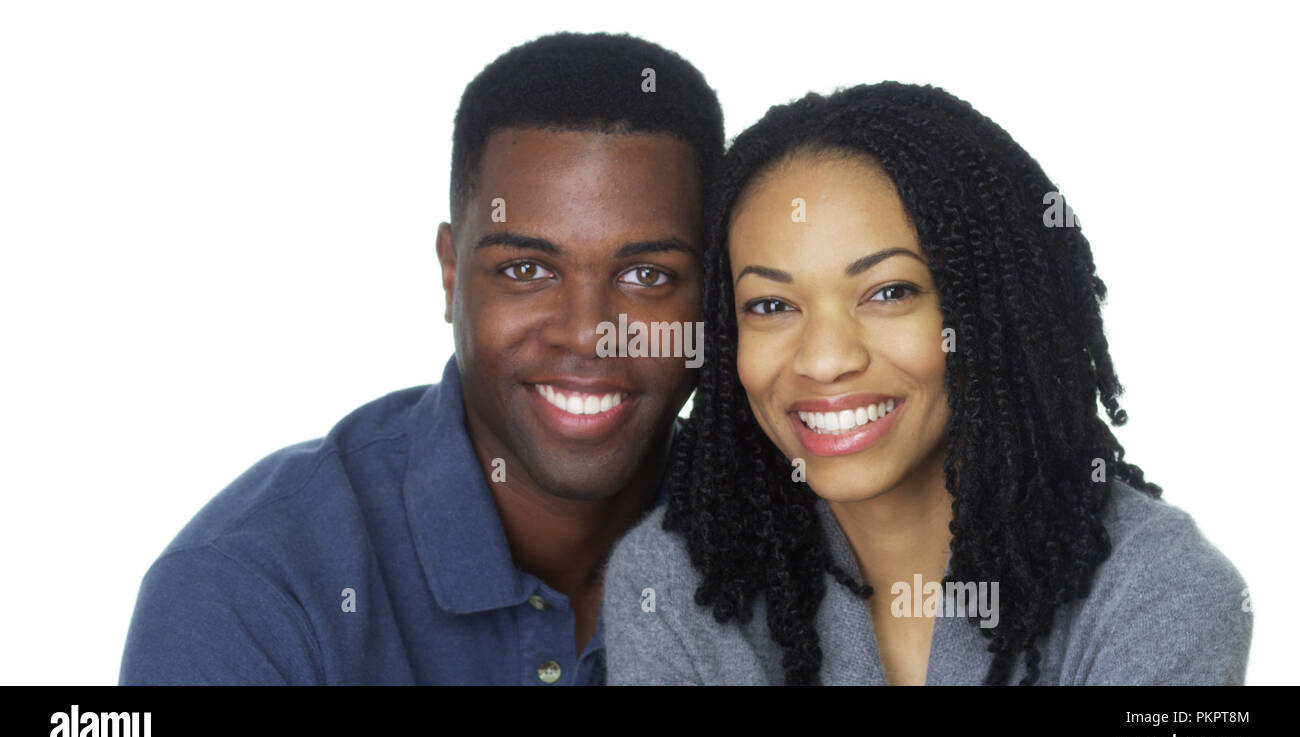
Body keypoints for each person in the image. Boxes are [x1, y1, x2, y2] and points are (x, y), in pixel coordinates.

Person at [119, 32, 724, 685]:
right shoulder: (252, 586)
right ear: (450, 274)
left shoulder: (804, 555)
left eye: (646, 276)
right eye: (525, 269)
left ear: (718, 293)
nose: (587, 333)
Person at [602, 82, 1252, 685]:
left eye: (889, 292)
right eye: (771, 305)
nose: (824, 361)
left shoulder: (1163, 586)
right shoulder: (670, 581)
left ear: (989, 308)